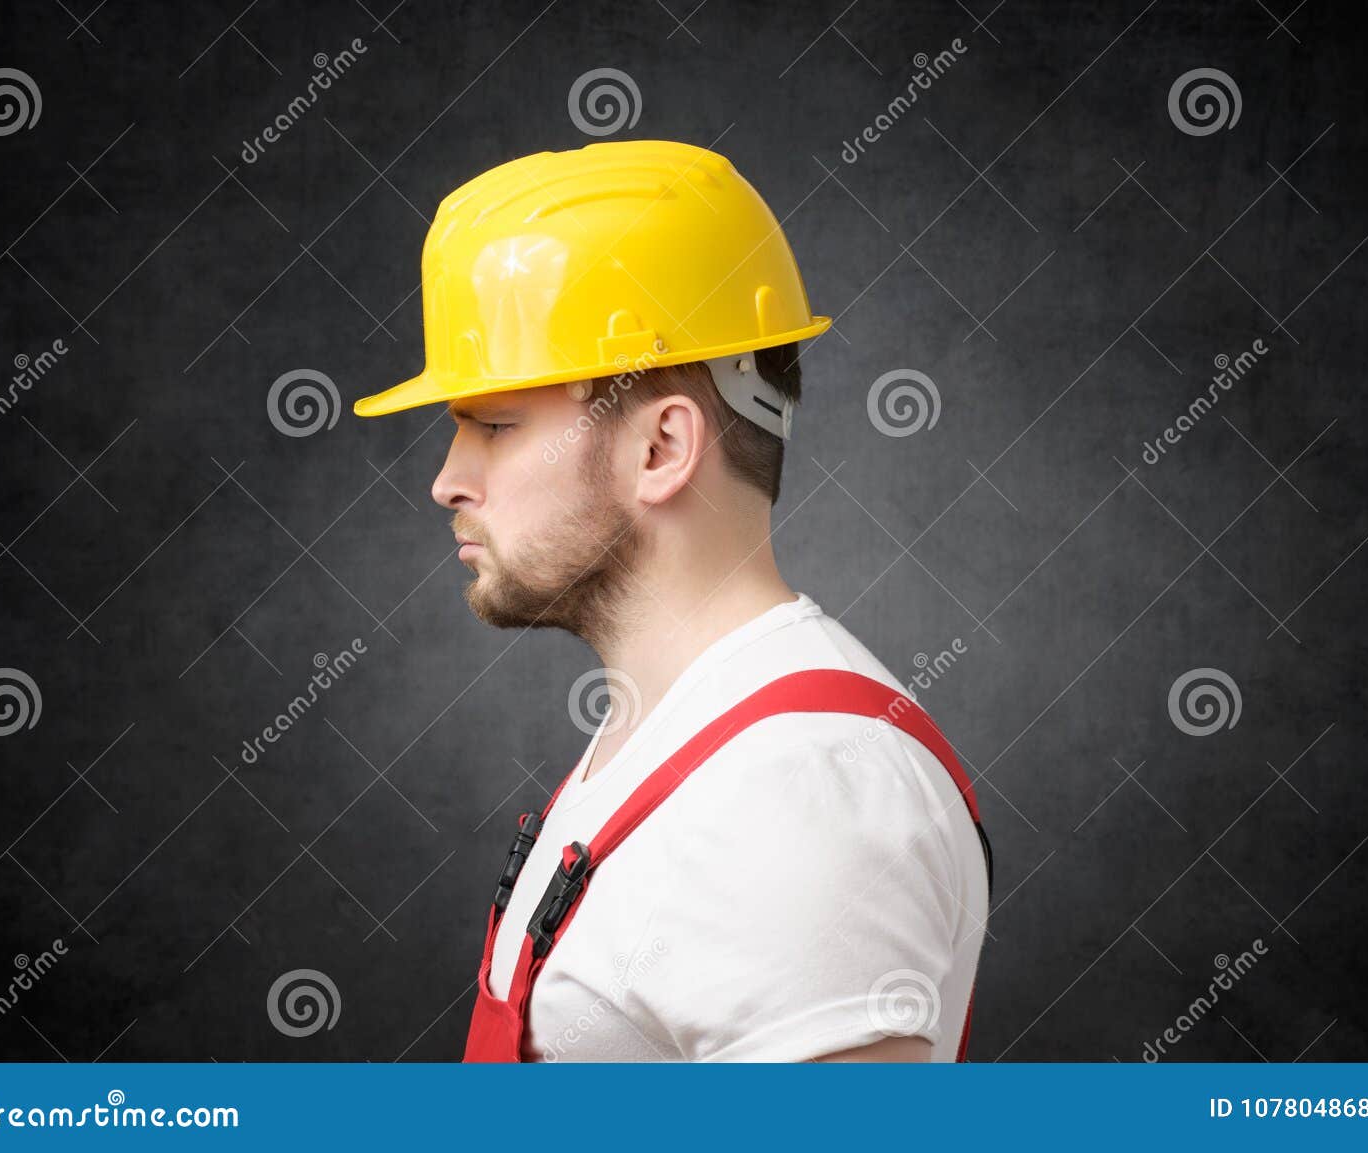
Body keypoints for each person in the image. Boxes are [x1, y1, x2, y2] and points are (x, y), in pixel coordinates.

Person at [355, 139, 990, 1062]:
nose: (447, 479)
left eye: (494, 425)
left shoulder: (797, 796)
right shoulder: (677, 734)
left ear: (660, 449)